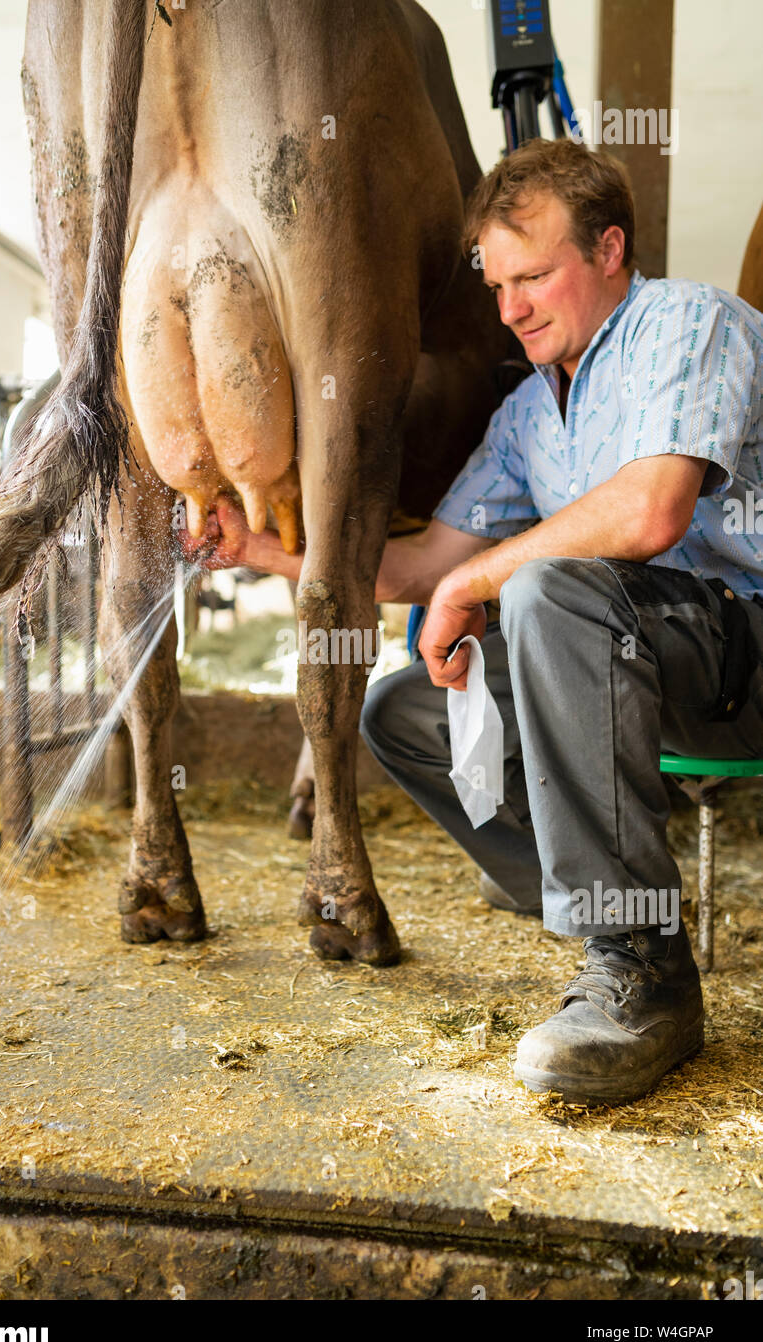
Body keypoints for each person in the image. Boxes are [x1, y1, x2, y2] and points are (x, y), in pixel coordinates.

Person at [184, 138, 763, 1106]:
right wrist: (264, 552)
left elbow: (650, 512)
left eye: (533, 276)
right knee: (401, 709)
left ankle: (645, 971)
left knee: (545, 592)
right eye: (495, 285)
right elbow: (420, 566)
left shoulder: (687, 323)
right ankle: (594, 898)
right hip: (628, 662)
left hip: (740, 652)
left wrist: (484, 582)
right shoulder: (530, 415)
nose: (510, 309)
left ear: (610, 249)